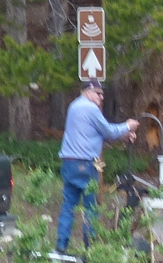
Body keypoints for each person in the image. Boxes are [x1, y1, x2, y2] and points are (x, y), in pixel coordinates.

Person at [57, 79, 136, 252]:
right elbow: (108, 131)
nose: (101, 98)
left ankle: (61, 247)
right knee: (91, 207)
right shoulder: (90, 108)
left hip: (69, 163)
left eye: (103, 95)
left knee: (68, 206)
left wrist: (123, 135)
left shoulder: (74, 106)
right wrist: (128, 126)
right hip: (86, 164)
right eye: (98, 94)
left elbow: (97, 133)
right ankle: (90, 250)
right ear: (88, 92)